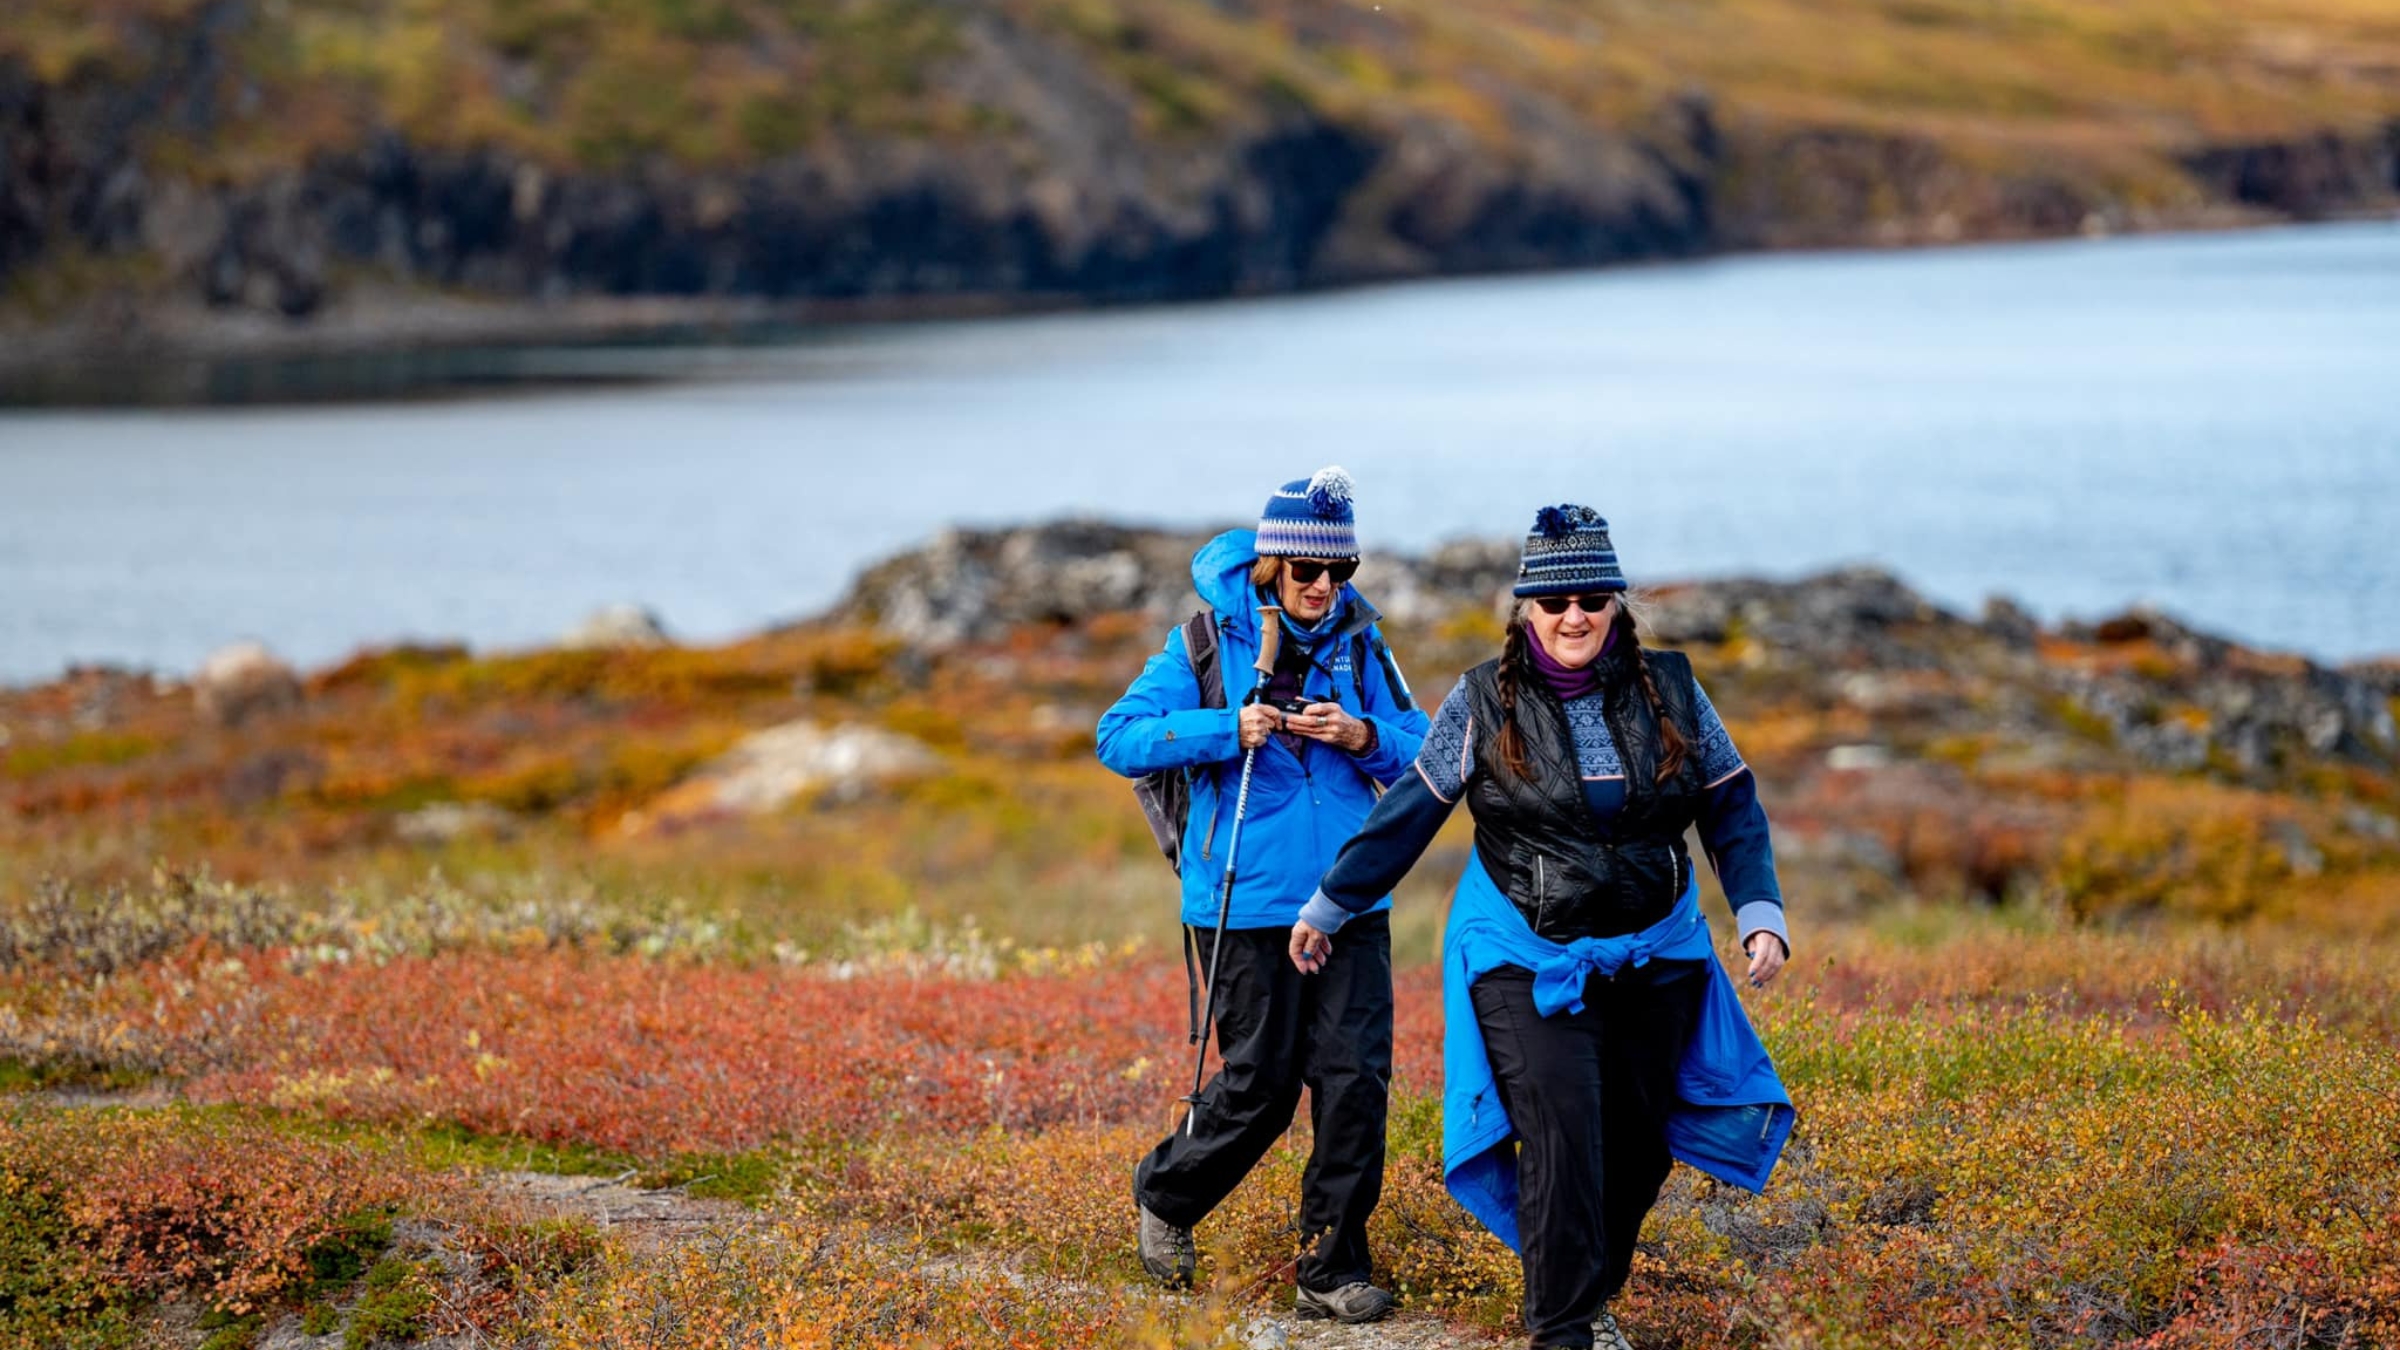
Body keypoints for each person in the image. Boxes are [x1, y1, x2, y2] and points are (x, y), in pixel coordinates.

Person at [1289, 505, 1795, 1350]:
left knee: (1635, 1152)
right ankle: (1560, 1332)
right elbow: (1411, 812)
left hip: (1656, 954)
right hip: (1523, 957)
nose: (1574, 616)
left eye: (1593, 599)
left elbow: (1730, 804)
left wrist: (1759, 914)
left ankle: (1589, 1295)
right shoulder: (1482, 699)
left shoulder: (1672, 687)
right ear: (1527, 607)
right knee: (1561, 1137)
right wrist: (1329, 905)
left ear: (1616, 606)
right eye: (1555, 600)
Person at [1096, 467, 1431, 1323]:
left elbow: (1429, 751)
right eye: (1309, 572)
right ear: (1273, 562)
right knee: (1262, 1086)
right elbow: (1119, 737)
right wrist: (1225, 727)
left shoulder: (1362, 644)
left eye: (1342, 572)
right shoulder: (1205, 640)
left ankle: (1331, 1268)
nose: (1325, 588)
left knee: (1356, 1083)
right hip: (1242, 903)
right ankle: (1168, 1195)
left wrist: (1360, 735)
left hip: (1350, 899)